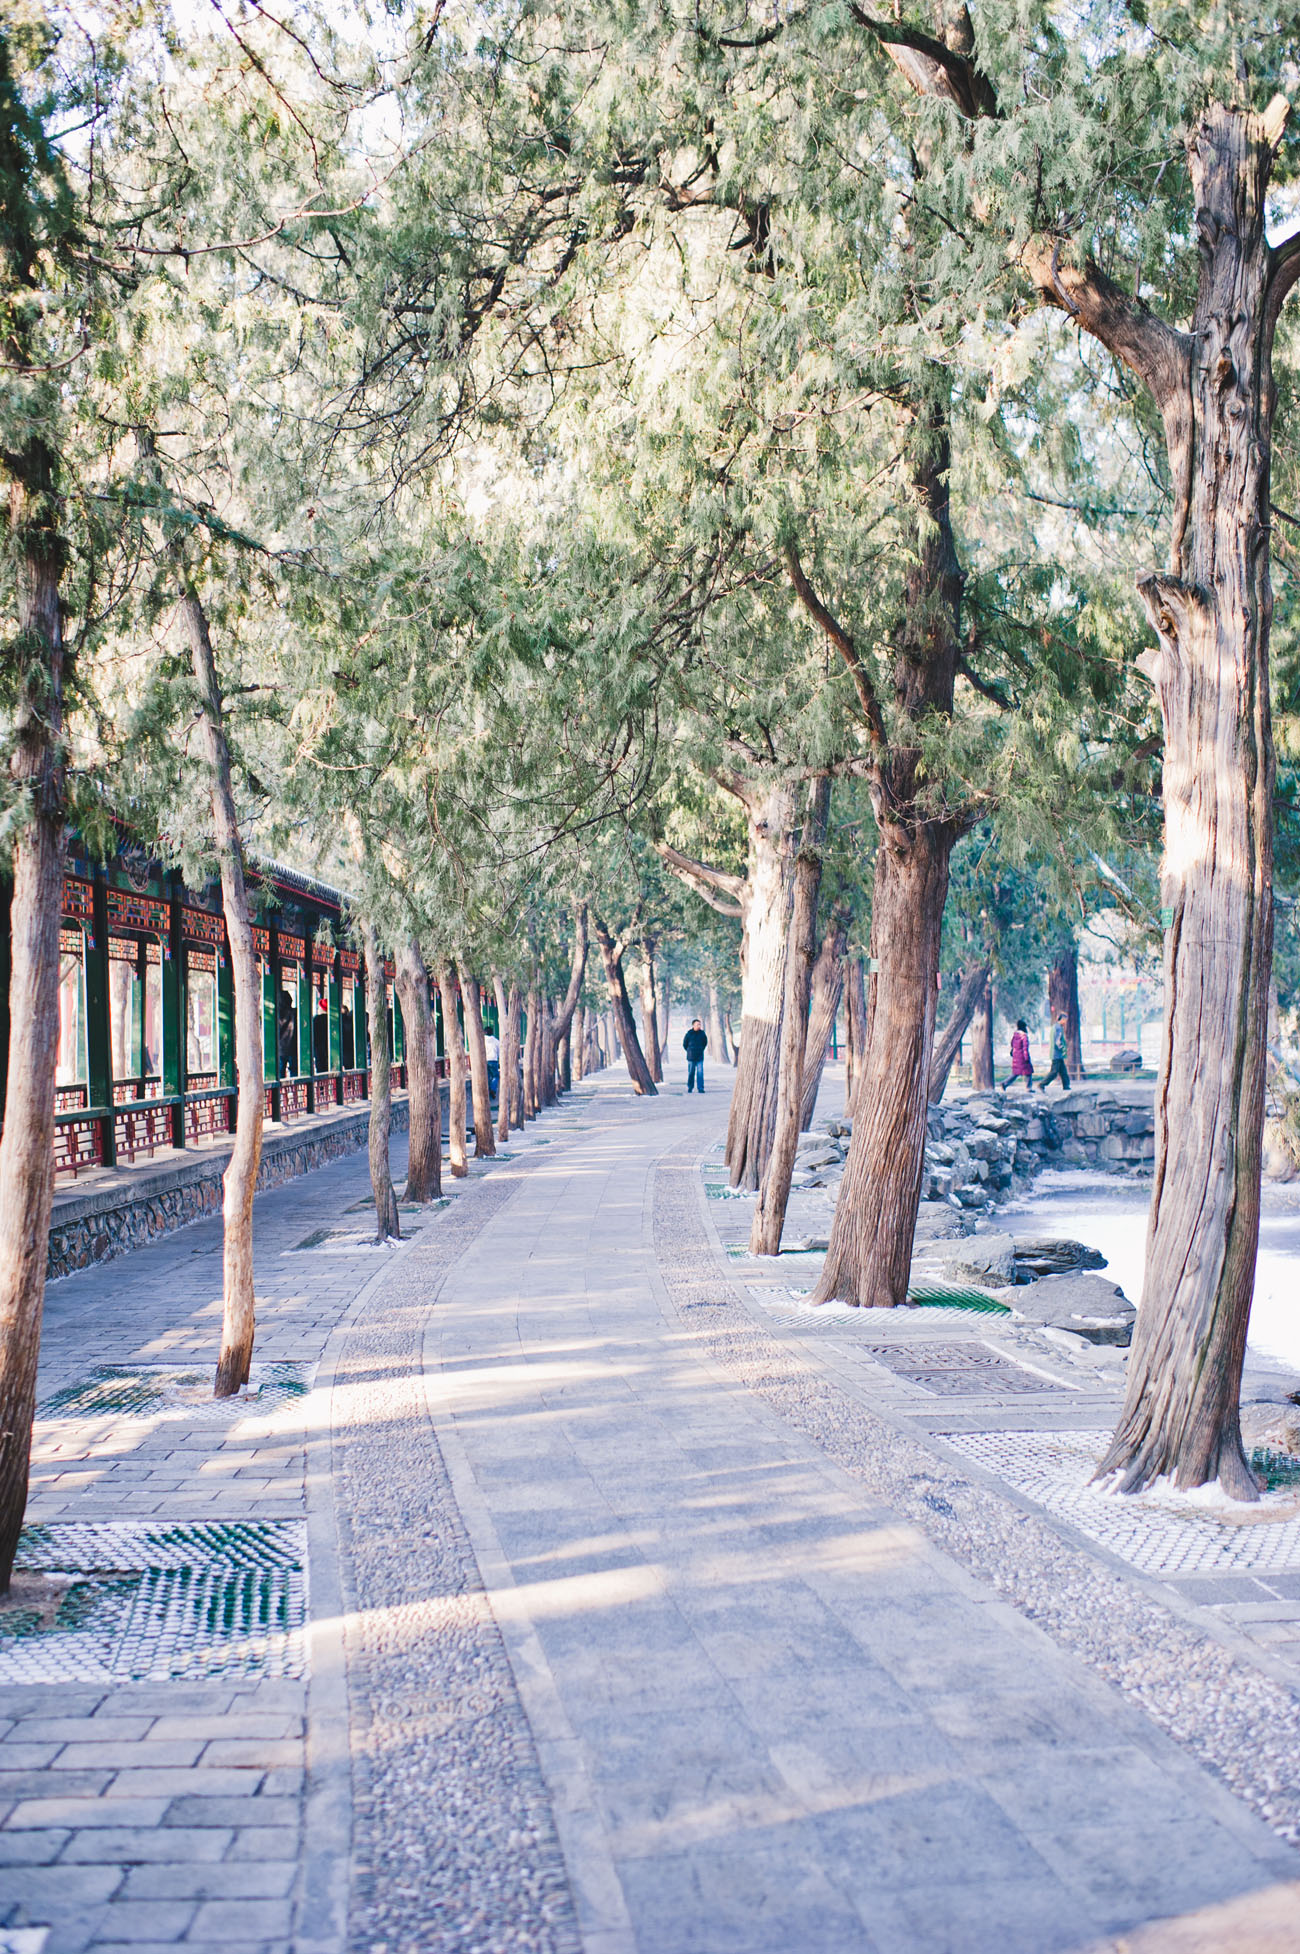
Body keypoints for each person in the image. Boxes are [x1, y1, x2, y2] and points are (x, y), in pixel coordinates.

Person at [1041, 1010, 1071, 1092]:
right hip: (1056, 1054)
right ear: (1062, 1019)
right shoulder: (1058, 1028)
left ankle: (1066, 1086)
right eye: (1065, 1020)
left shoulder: (1055, 1027)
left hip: (1056, 1054)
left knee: (1063, 1071)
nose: (1066, 1022)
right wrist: (1063, 1049)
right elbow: (1057, 1041)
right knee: (1054, 1072)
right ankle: (1042, 1084)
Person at [683, 1018, 708, 1093]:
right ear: (693, 1025)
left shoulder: (702, 1034)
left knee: (700, 1073)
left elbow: (705, 1043)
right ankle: (690, 1087)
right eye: (697, 1024)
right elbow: (685, 1044)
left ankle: (700, 1088)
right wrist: (689, 1050)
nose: (699, 1026)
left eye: (699, 1024)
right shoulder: (689, 1034)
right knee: (691, 1072)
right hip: (691, 1057)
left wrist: (701, 1049)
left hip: (700, 1056)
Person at [1009, 1019, 1033, 1089]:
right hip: (1022, 1057)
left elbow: (1012, 1044)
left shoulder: (1015, 1035)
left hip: (1016, 1056)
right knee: (1028, 1072)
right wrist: (1027, 1058)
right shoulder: (1024, 1036)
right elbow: (1025, 1048)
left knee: (1016, 1073)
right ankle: (1028, 1087)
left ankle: (1005, 1083)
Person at [483, 1027, 500, 1100]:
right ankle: (493, 1089)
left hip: (484, 1060)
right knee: (495, 1076)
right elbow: (499, 1052)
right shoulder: (496, 1041)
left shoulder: (482, 1040)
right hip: (493, 1060)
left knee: (487, 1076)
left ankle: (487, 1091)